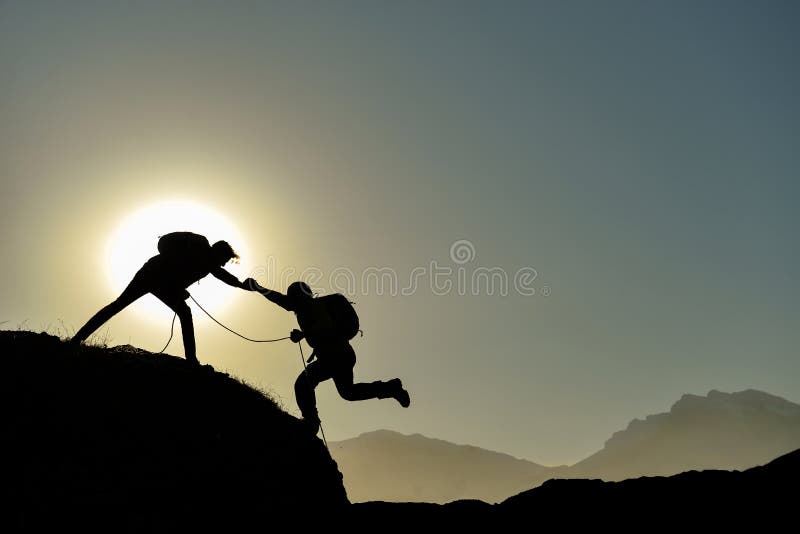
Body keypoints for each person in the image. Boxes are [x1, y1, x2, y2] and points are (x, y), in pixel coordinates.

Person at [246, 279, 410, 433]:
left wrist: (303, 334)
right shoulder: (304, 307)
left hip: (336, 355)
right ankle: (390, 388)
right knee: (348, 392)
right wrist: (257, 288)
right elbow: (279, 299)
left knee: (304, 384)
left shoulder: (315, 306)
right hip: (340, 355)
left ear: (300, 297)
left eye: (293, 298)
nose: (290, 303)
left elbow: (325, 326)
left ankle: (311, 422)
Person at [71, 232, 255, 365]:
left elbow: (223, 276)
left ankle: (76, 340)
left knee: (119, 306)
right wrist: (178, 289)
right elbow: (175, 266)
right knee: (181, 312)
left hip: (154, 276)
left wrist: (241, 285)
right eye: (224, 260)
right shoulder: (199, 249)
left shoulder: (208, 263)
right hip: (153, 276)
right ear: (218, 253)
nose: (223, 264)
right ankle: (191, 360)